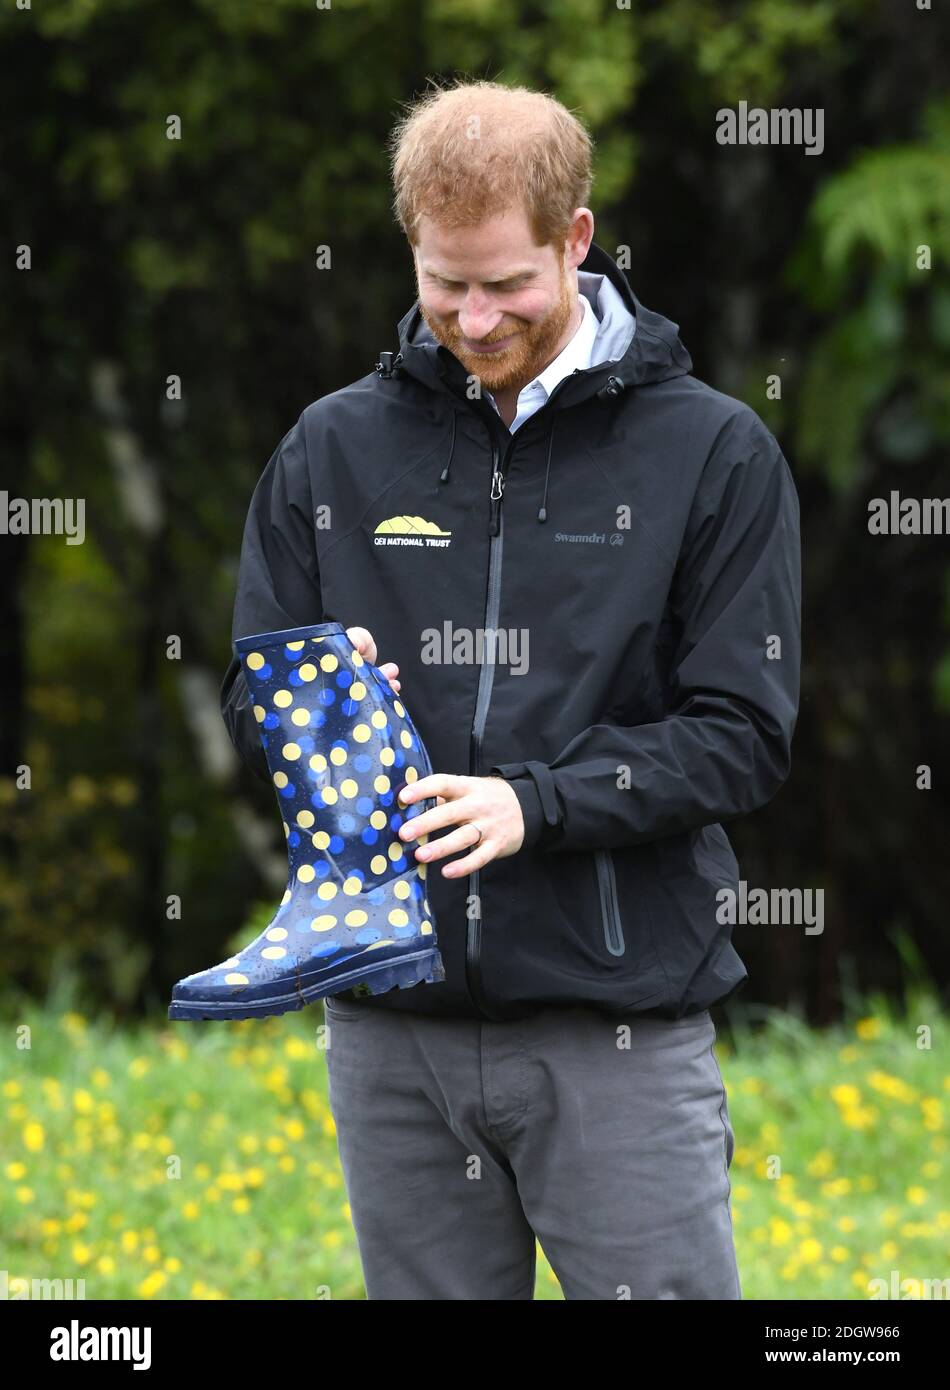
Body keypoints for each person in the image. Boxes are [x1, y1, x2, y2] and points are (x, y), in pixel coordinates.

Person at [220, 78, 802, 1299]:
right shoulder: (331, 446)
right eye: (445, 285)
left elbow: (740, 736)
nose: (474, 320)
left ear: (574, 240)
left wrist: (533, 804)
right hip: (389, 1031)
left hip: (615, 1028)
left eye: (506, 285)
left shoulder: (712, 453)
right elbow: (250, 692)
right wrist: (322, 697)